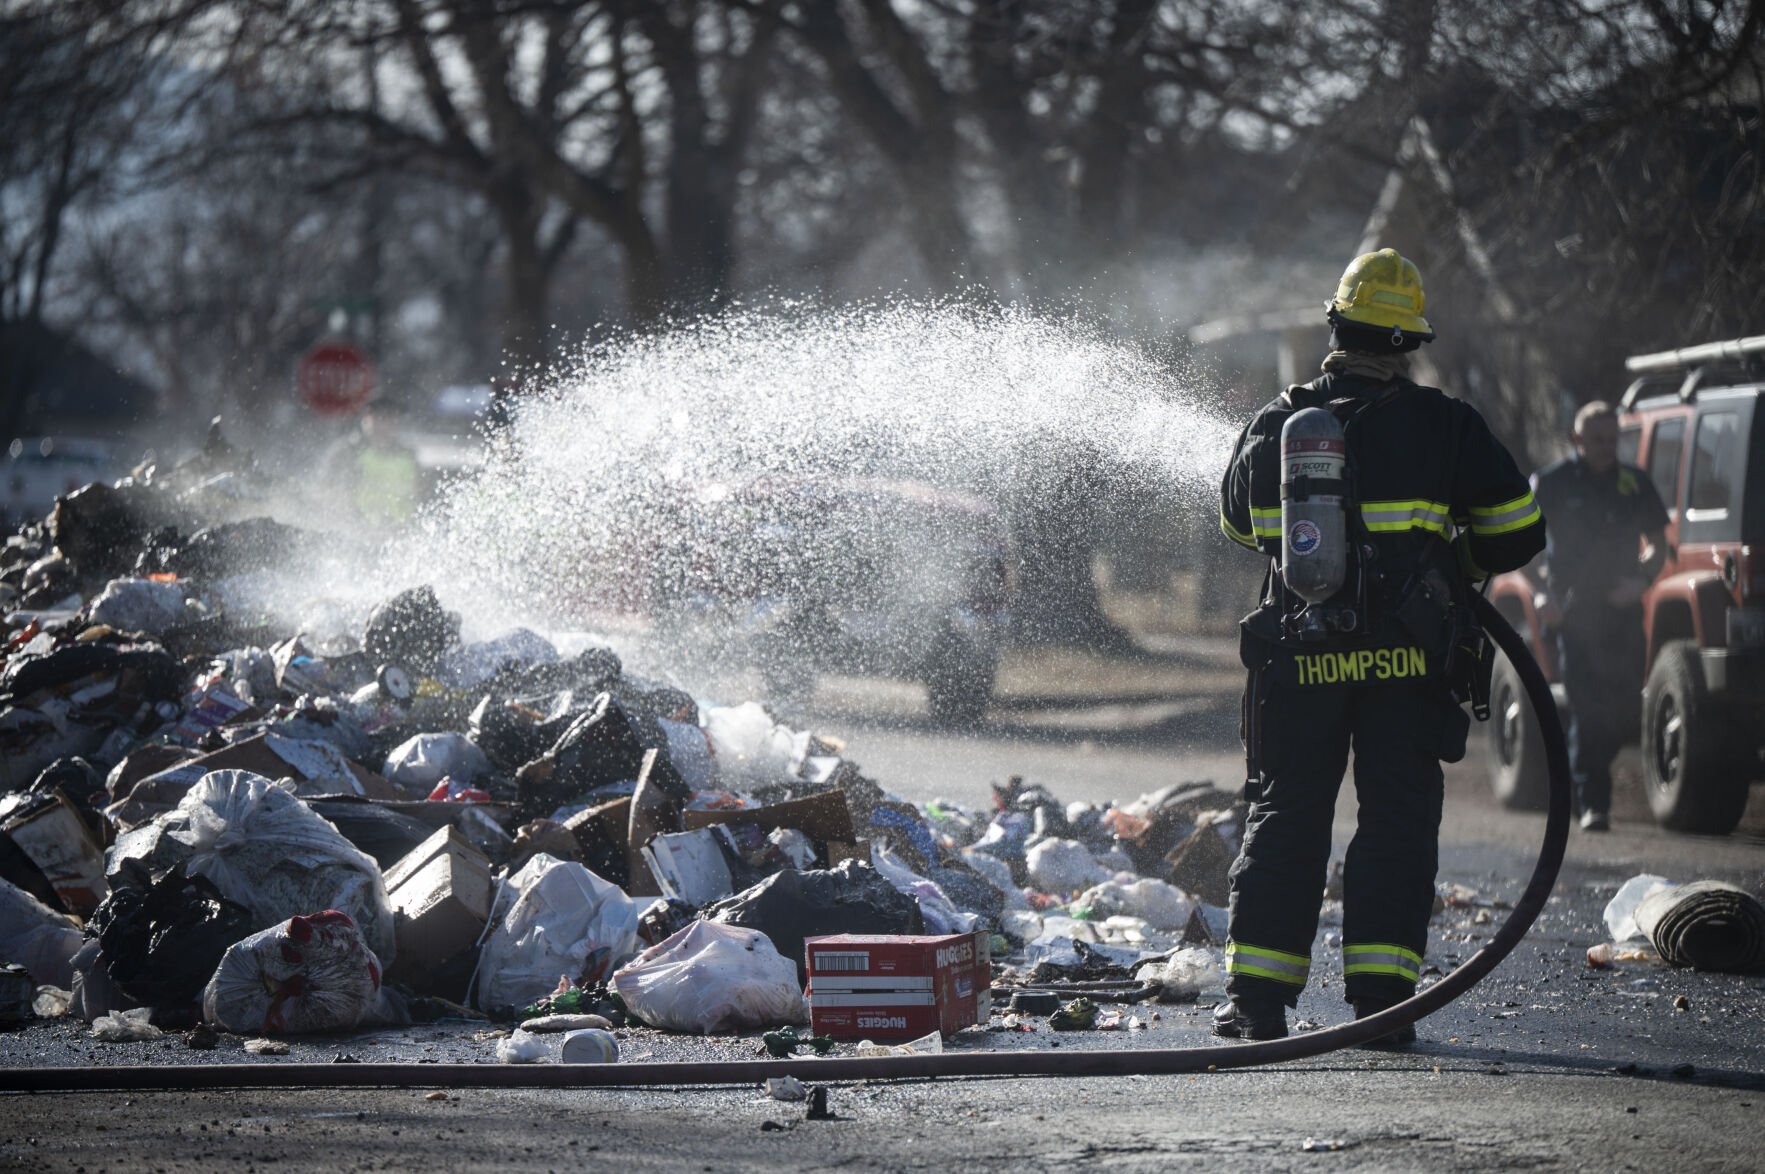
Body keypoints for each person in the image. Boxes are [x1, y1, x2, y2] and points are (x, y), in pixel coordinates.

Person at [1214, 248, 1546, 1045]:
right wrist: (1450, 567)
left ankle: (1256, 1002)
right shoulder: (1447, 426)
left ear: (1335, 326)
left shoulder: (1278, 422)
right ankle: (1380, 1006)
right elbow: (1516, 533)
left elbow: (1237, 527)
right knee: (1396, 821)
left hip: (1299, 658)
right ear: (1407, 344)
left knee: (1286, 813)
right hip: (1406, 664)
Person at [1530, 401, 1668, 832]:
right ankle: (1595, 804)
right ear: (1577, 440)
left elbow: (1659, 546)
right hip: (1571, 616)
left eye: (1613, 439)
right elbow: (1516, 546)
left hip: (1622, 614)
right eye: (1597, 440)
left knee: (1626, 710)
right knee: (1588, 710)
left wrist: (1642, 583)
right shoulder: (1550, 483)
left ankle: (1576, 786)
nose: (1607, 448)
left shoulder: (1634, 483)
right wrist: (1540, 595)